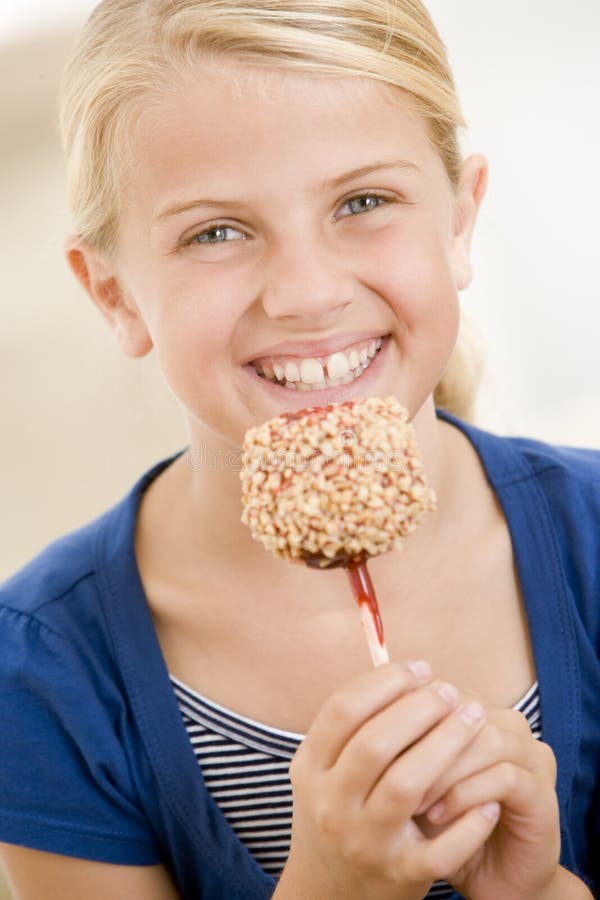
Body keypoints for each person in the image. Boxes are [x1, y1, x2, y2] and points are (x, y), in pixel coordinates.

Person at [0, 0, 598, 897]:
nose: (308, 294)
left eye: (364, 202)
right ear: (115, 294)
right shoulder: (44, 673)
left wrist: (540, 891)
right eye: (216, 232)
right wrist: (330, 886)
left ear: (461, 219)